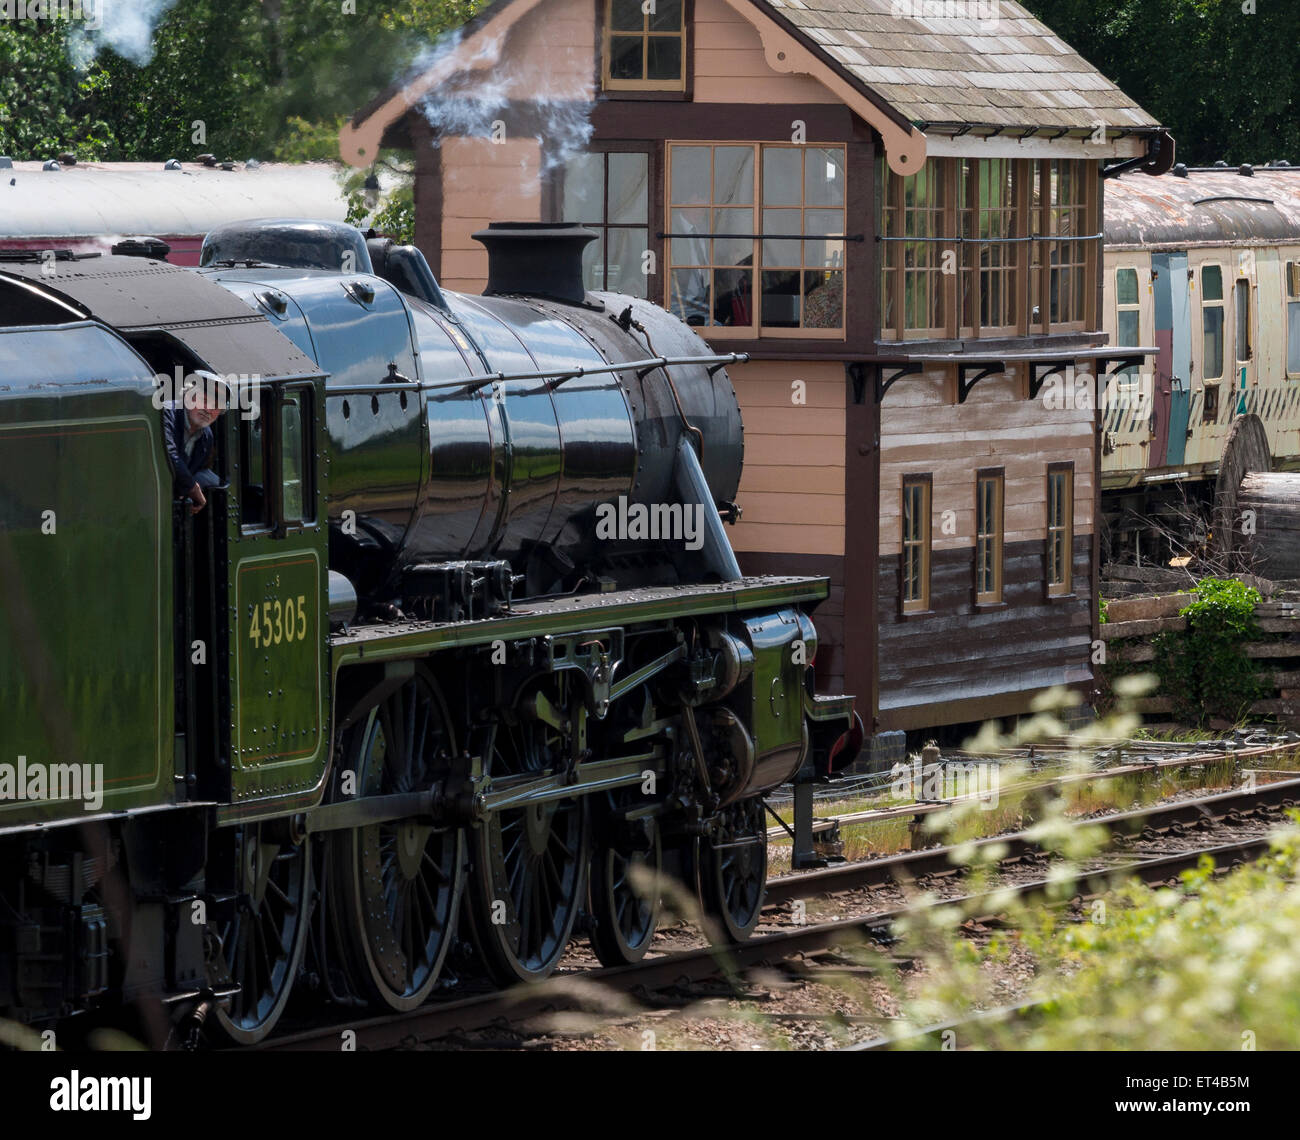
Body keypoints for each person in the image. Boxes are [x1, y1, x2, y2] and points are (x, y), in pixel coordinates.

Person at [163, 371, 228, 515]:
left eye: (216, 406)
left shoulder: (207, 437)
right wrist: (192, 487)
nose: (208, 410)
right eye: (204, 400)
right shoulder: (166, 413)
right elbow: (167, 453)